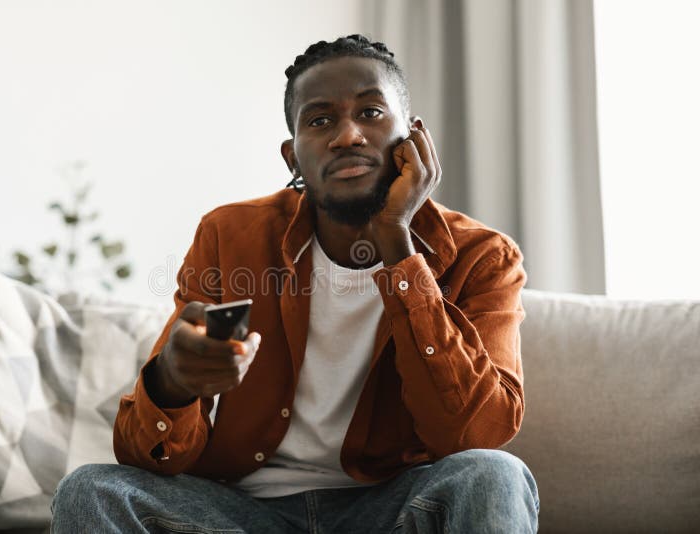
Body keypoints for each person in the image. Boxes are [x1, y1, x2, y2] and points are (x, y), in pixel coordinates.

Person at [51, 34, 540, 533]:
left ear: (414, 139)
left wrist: (397, 240)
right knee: (92, 489)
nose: (347, 135)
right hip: (245, 513)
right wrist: (172, 384)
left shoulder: (482, 256)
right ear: (292, 158)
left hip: (390, 510)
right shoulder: (230, 237)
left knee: (494, 475)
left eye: (371, 113)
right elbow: (147, 454)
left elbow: (473, 434)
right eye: (320, 120)